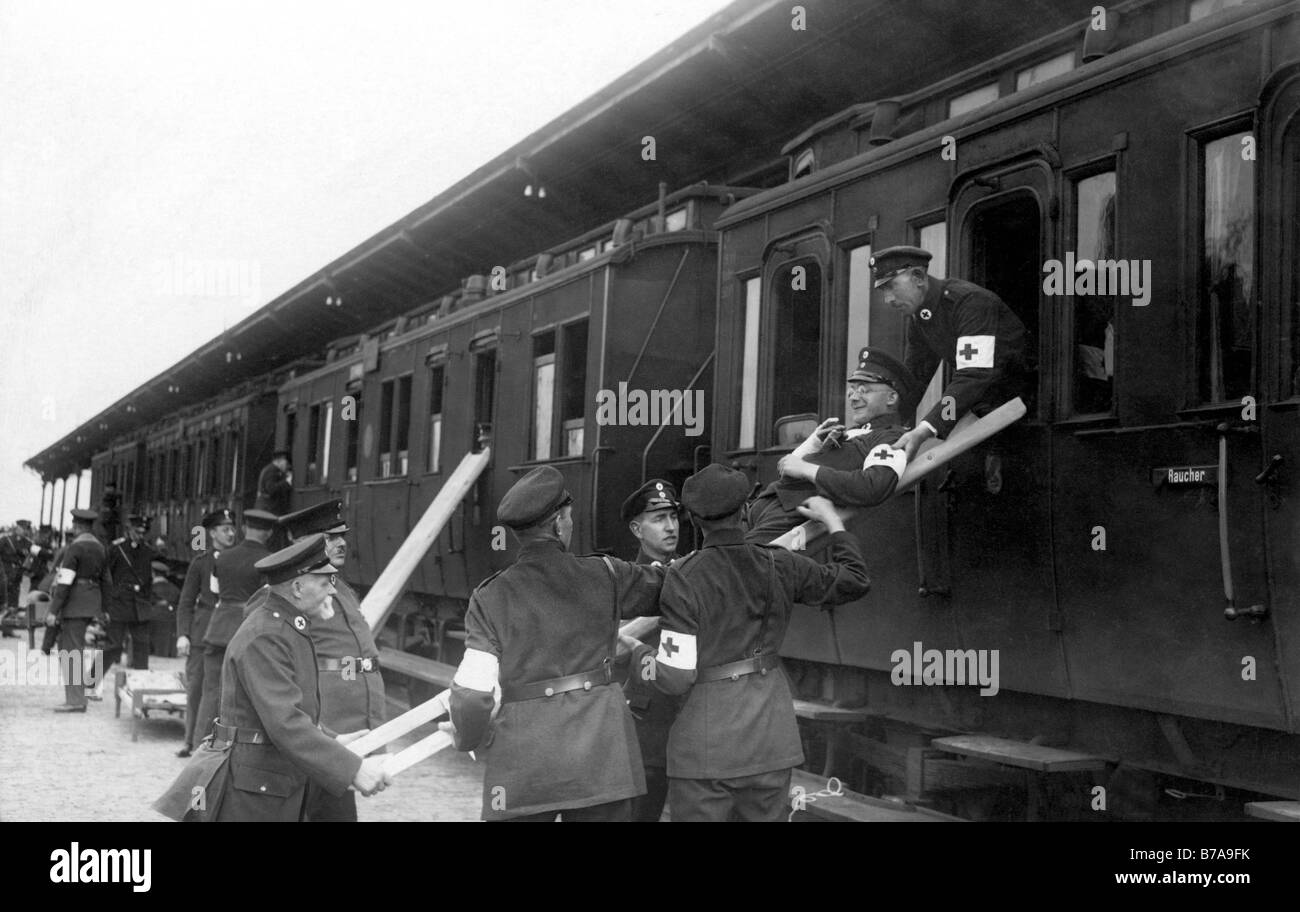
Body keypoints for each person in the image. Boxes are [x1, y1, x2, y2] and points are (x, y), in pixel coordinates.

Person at [648, 464, 871, 822]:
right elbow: (854, 580)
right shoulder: (780, 563)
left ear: (693, 520)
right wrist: (833, 523)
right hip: (771, 737)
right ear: (745, 511)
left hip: (705, 746)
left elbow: (675, 678)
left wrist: (646, 657)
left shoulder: (683, 577)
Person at [443, 465, 666, 821]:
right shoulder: (607, 574)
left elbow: (471, 694)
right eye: (570, 518)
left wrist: (466, 738)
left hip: (524, 764)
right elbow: (674, 587)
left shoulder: (490, 596)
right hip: (602, 760)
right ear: (560, 523)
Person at [154, 534, 390, 822]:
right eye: (324, 581)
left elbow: (292, 708)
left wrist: (332, 739)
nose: (332, 590)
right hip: (253, 789)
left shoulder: (287, 627)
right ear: (297, 586)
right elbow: (285, 722)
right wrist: (352, 769)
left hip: (267, 779)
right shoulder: (267, 636)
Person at [269, 499, 385, 822]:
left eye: (342, 535)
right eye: (330, 537)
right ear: (302, 545)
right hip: (322, 726)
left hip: (345, 726)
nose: (342, 543)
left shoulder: (338, 586)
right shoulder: (293, 591)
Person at [868, 245, 1028, 460]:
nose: (888, 299)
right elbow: (914, 380)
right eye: (883, 291)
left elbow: (974, 375)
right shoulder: (921, 316)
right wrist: (877, 428)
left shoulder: (969, 302)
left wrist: (928, 427)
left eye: (891, 287)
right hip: (987, 409)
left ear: (918, 277)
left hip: (1025, 408)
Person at [745, 347, 919, 543]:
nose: (853, 397)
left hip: (790, 515)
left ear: (891, 398)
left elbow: (873, 485)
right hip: (764, 507)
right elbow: (786, 468)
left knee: (728, 565)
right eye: (852, 389)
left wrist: (807, 468)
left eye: (863, 390)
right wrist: (813, 445)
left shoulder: (891, 437)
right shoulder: (852, 432)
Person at [615, 479, 684, 823]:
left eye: (673, 516)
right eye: (658, 519)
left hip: (691, 717)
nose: (670, 526)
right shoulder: (623, 582)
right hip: (647, 723)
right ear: (636, 529)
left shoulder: (693, 572)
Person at [195, 509, 275, 748]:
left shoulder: (222, 557)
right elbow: (266, 598)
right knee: (247, 694)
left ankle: (201, 747)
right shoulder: (270, 560)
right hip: (248, 631)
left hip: (218, 628)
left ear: (243, 529)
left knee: (210, 691)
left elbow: (215, 591)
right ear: (269, 533)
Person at [175, 508, 237, 757]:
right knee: (197, 689)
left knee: (227, 690)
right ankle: (190, 741)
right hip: (203, 634)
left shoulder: (239, 560)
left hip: (231, 633)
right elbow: (186, 602)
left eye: (233, 528)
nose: (231, 533)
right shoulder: (201, 563)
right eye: (225, 529)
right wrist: (183, 635)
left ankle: (220, 742)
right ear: (212, 533)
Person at [45, 509, 111, 712]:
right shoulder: (100, 548)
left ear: (77, 527)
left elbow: (64, 582)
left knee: (71, 651)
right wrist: (105, 608)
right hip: (92, 602)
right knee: (75, 650)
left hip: (74, 603)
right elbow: (107, 581)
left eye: (74, 526)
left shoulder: (74, 548)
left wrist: (53, 610)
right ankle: (78, 697)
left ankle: (75, 701)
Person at [103, 514, 158, 671]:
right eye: (137, 532)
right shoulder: (116, 549)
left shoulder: (147, 551)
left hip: (139, 605)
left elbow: (149, 578)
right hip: (119, 603)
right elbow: (106, 576)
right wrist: (107, 602)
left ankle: (141, 684)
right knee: (113, 646)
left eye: (142, 533)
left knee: (142, 645)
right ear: (128, 530)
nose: (140, 536)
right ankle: (91, 682)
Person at [0, 519, 34, 613]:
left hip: (16, 576)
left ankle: (11, 616)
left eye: (26, 529)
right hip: (4, 575)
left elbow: (31, 559)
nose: (25, 531)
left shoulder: (28, 543)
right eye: (23, 528)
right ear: (17, 528)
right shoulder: (5, 540)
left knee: (13, 602)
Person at [150, 560, 180, 658]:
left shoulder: (149, 588)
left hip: (152, 619)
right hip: (171, 620)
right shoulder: (174, 588)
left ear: (153, 573)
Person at [255, 450, 293, 516]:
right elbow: (271, 489)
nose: (288, 466)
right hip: (268, 511)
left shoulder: (270, 469)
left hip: (265, 509)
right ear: (280, 461)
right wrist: (287, 482)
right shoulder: (272, 470)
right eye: (287, 463)